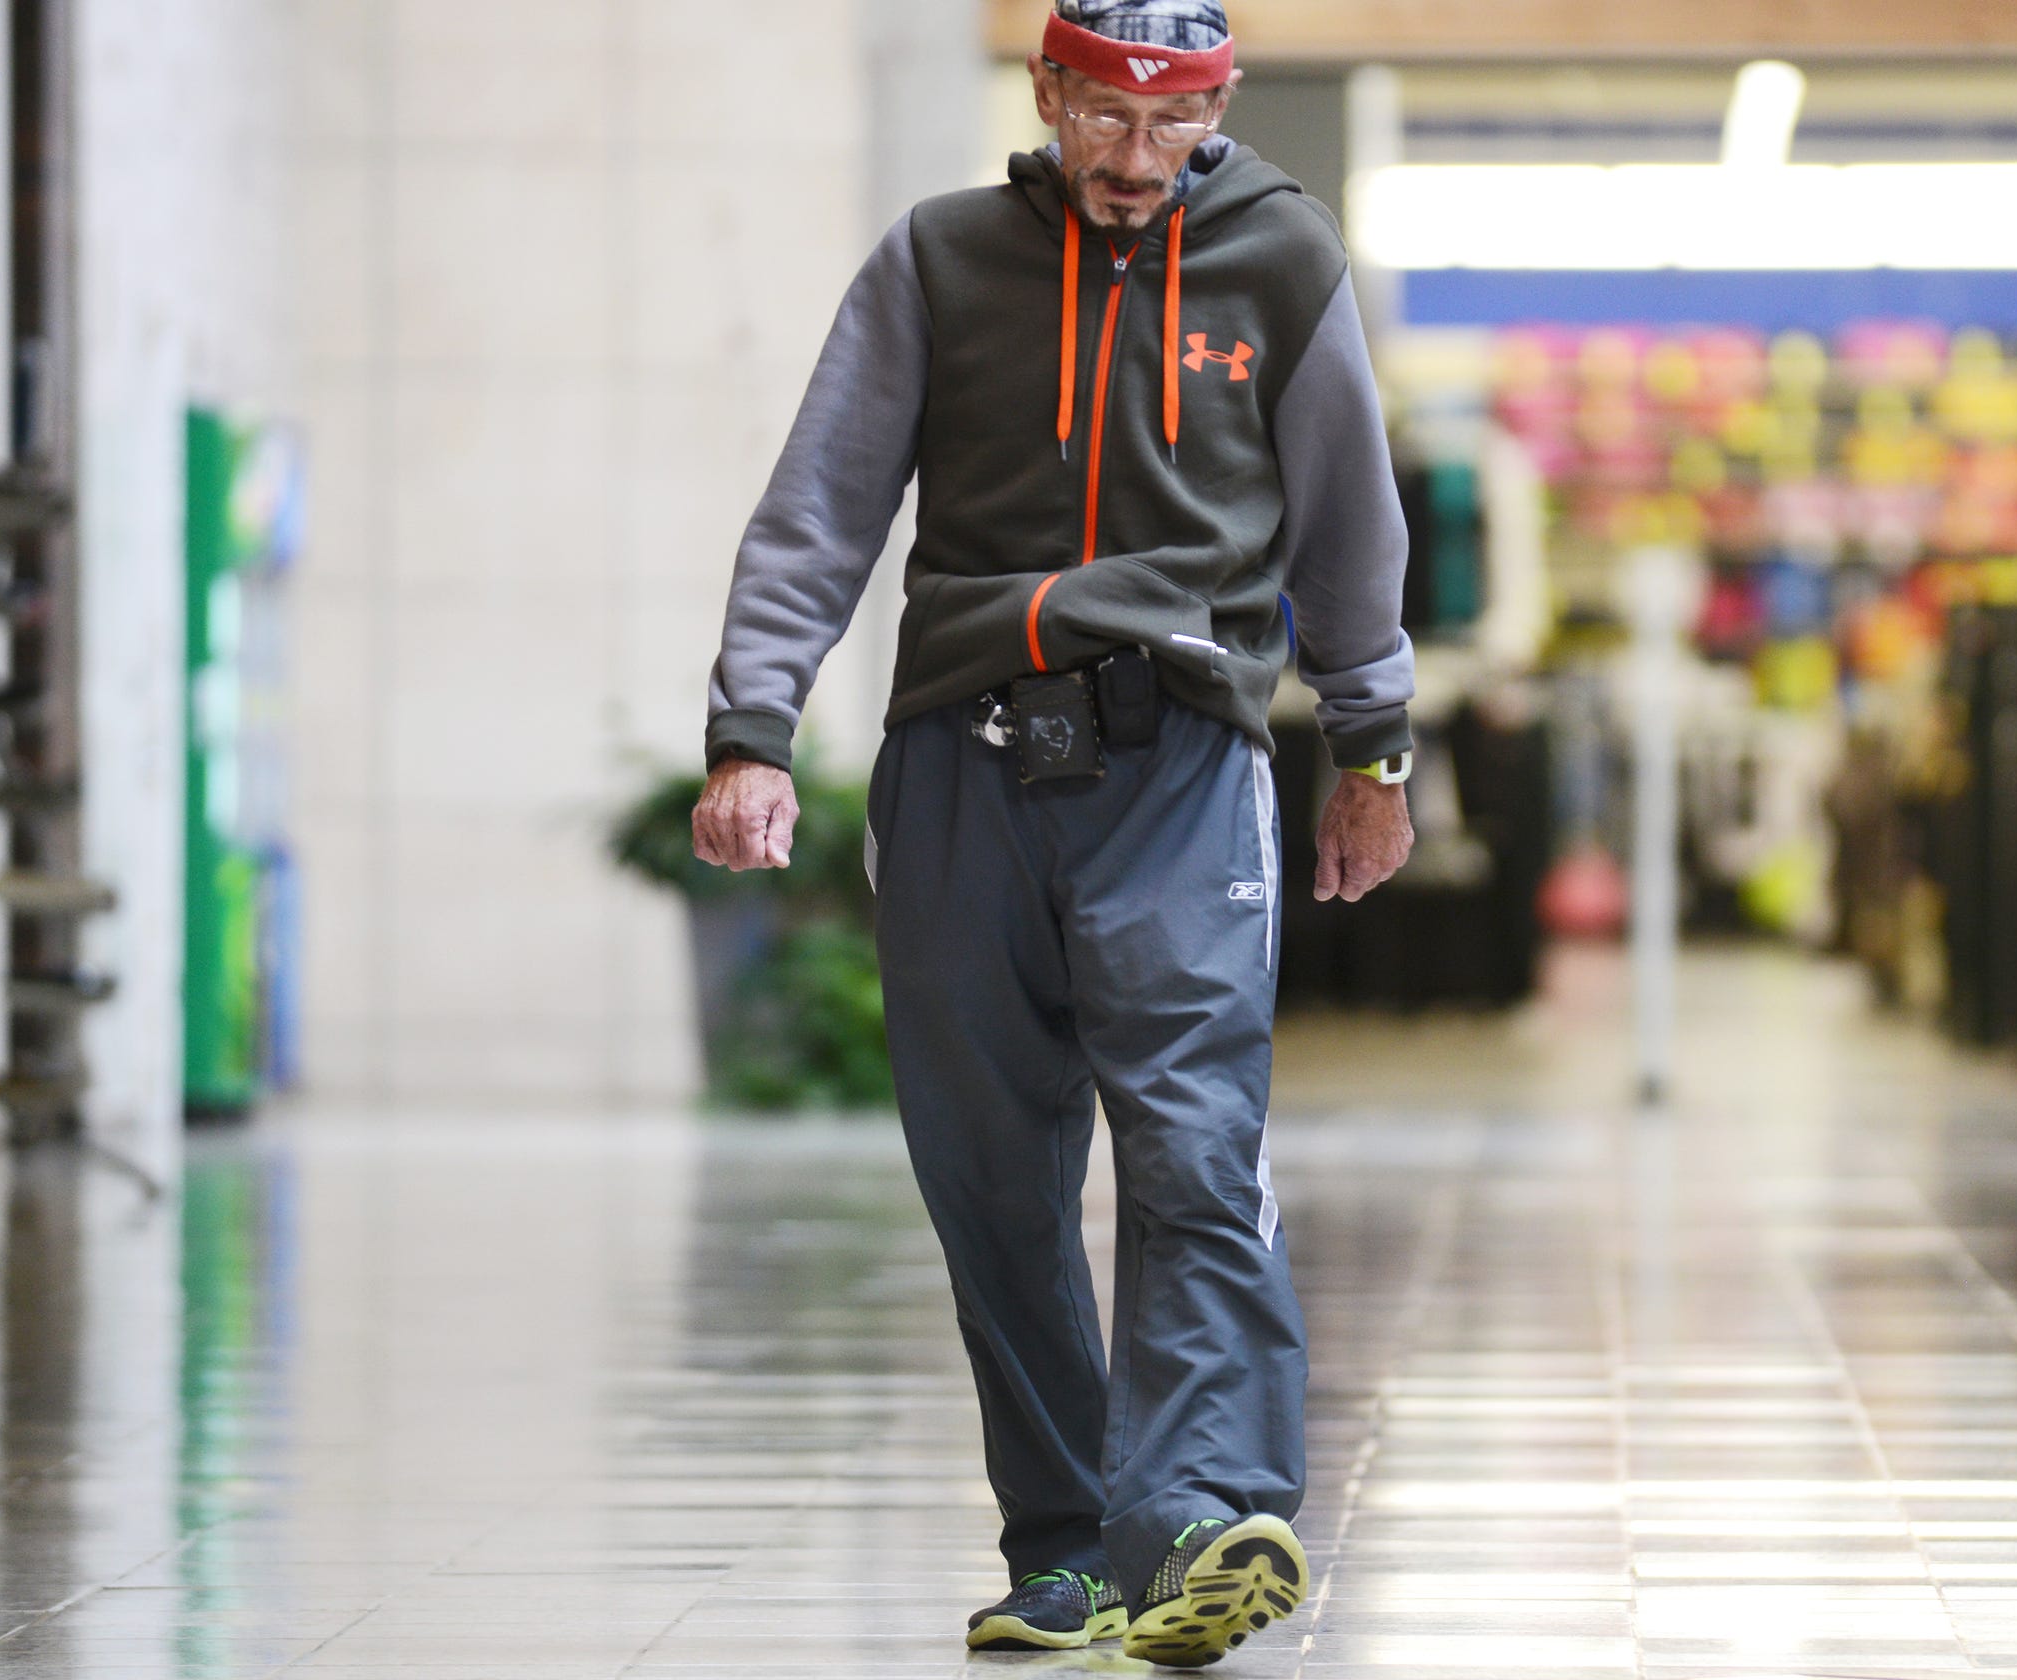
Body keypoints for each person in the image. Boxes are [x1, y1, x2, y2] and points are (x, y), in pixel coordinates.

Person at [687, 0, 1415, 1666]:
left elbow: (1350, 524)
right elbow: (821, 506)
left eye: (1175, 126)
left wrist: (1372, 750)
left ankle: (1210, 1517)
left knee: (1190, 1137)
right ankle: (1072, 1546)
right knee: (992, 1177)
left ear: (1219, 107)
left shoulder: (1280, 264)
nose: (1137, 163)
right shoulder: (939, 260)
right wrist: (753, 729)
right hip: (962, 754)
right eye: (1105, 121)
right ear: (1048, 93)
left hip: (1182, 758)